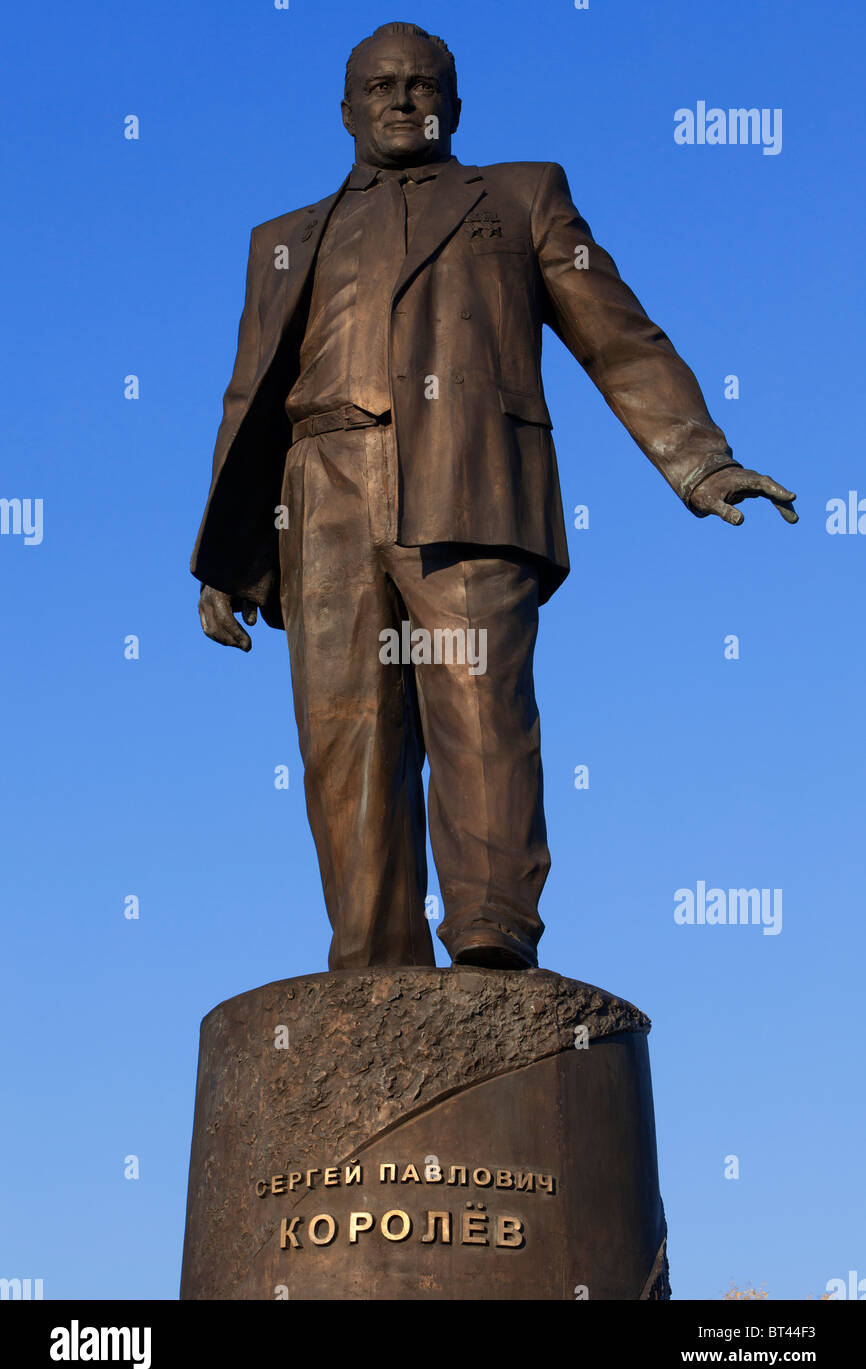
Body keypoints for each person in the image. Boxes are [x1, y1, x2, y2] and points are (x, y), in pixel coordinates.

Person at [192, 21, 798, 972]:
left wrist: (700, 459)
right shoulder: (283, 240)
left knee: (479, 707)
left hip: (468, 479)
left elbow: (620, 336)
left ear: (456, 106)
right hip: (322, 492)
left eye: (421, 84)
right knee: (342, 738)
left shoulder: (520, 198)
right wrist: (228, 557)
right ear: (344, 109)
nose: (401, 99)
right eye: (381, 86)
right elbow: (248, 396)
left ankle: (491, 926)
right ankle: (371, 956)